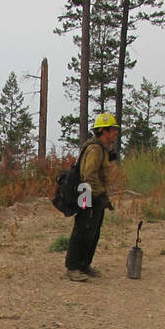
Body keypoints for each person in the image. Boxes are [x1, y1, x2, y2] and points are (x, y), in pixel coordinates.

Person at [65, 112, 119, 282]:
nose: (115, 133)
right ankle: (73, 268)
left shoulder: (100, 149)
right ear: (104, 131)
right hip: (86, 192)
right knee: (83, 229)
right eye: (113, 130)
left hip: (91, 193)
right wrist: (101, 195)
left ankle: (84, 265)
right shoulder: (95, 149)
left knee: (93, 231)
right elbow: (88, 175)